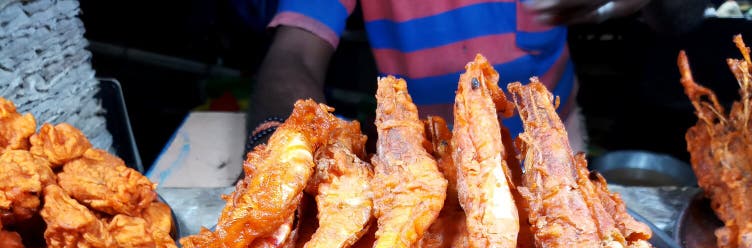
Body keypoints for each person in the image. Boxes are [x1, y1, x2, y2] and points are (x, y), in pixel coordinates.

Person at [244, 0, 704, 154]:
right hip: (430, 163)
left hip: (559, 147)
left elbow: (682, 18)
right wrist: (279, 156)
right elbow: (296, 50)